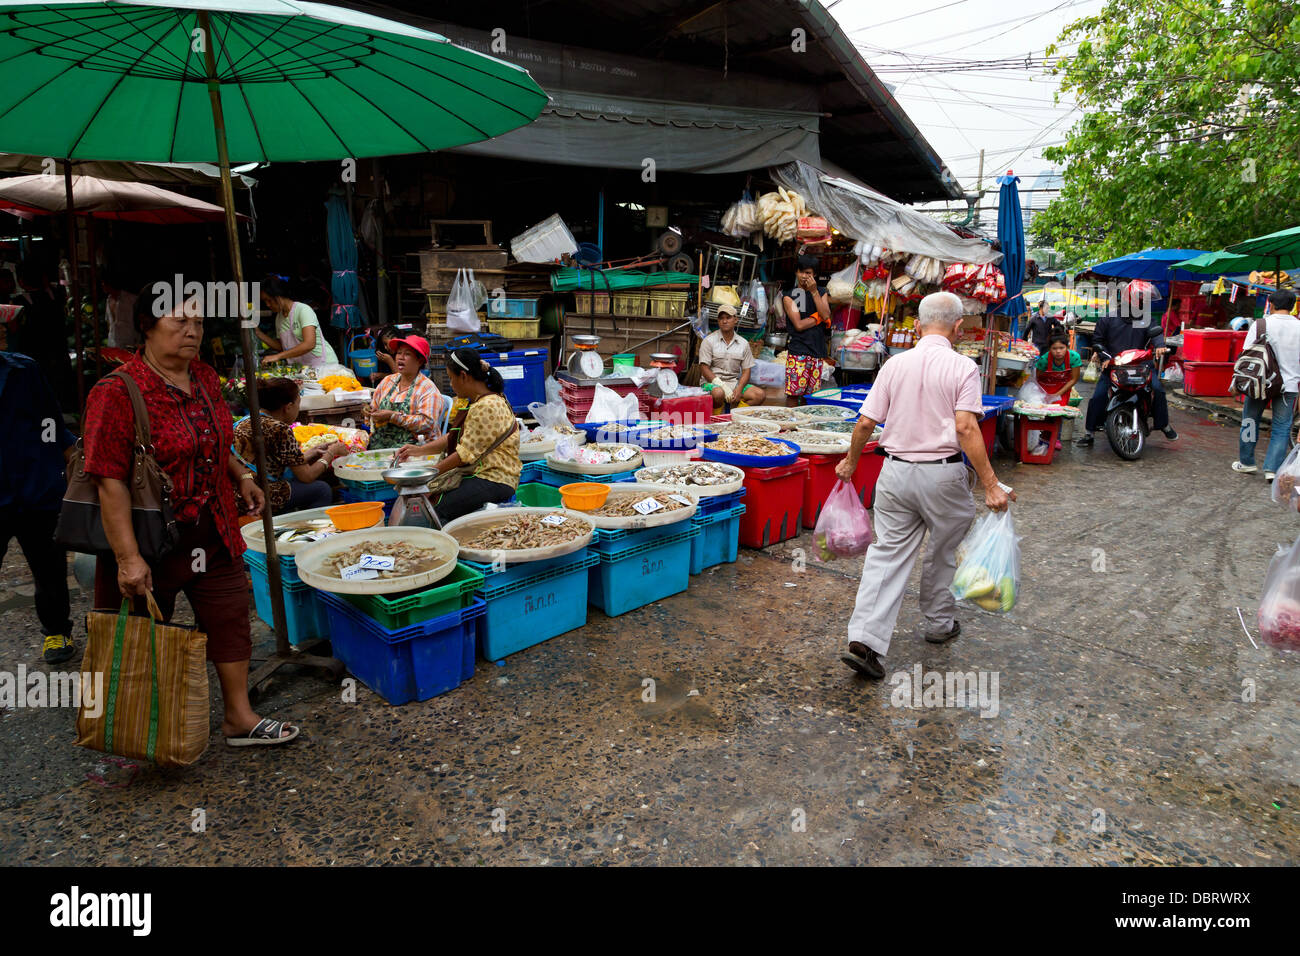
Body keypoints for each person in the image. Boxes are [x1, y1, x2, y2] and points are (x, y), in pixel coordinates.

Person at [82, 281, 299, 747]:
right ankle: (134, 725)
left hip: (213, 525)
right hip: (149, 534)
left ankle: (238, 717)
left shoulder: (203, 377)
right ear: (147, 326)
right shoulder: (117, 391)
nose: (191, 330)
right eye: (179, 320)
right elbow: (108, 479)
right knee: (140, 632)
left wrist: (240, 475)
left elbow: (214, 440)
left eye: (198, 322)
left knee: (227, 616)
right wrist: (126, 559)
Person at [834, 291, 1014, 681]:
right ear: (957, 328)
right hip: (942, 475)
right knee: (943, 551)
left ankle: (864, 641)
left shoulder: (894, 365)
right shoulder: (963, 366)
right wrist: (991, 484)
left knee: (886, 555)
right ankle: (938, 624)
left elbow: (866, 424)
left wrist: (850, 462)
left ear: (917, 326)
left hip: (895, 474)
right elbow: (966, 427)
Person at [0, 351, 77, 663]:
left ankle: (57, 631)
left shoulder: (23, 369)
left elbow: (51, 419)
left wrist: (69, 452)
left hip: (36, 488)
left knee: (49, 569)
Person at [395, 347, 520, 523]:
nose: (452, 385)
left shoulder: (486, 406)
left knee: (436, 509)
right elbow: (455, 437)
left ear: (463, 376)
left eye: (451, 379)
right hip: (481, 472)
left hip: (494, 478)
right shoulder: (485, 399)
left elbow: (463, 455)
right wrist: (419, 450)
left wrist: (426, 475)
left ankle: (454, 548)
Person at [1077, 287, 1177, 446]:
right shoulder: (1108, 319)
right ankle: (1089, 432)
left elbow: (1156, 334)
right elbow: (1098, 340)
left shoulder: (1146, 319)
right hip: (1114, 365)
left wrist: (1159, 345)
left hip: (1142, 365)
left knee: (1157, 390)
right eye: (1140, 300)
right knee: (1098, 396)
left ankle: (1163, 424)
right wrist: (1104, 356)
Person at [234, 377, 349, 514]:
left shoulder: (246, 421)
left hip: (237, 490)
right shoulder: (280, 429)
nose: (298, 409)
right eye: (298, 404)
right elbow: (306, 476)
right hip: (257, 493)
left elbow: (279, 460)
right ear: (288, 407)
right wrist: (332, 452)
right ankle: (306, 529)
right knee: (321, 489)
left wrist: (312, 452)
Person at [1233, 289, 1300, 480]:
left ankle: (1246, 462)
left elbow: (1246, 353)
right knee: (1281, 426)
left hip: (1259, 382)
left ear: (1271, 304)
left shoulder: (1261, 324)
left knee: (1250, 420)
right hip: (1289, 385)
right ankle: (1272, 469)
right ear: (1293, 306)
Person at [367, 334, 445, 449]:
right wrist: (369, 412)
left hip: (417, 449)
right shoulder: (387, 381)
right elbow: (374, 409)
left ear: (419, 361)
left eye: (407, 354)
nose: (400, 357)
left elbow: (427, 423)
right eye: (398, 353)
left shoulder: (427, 389)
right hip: (383, 446)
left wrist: (392, 416)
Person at [255, 274, 339, 368]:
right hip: (303, 369)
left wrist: (277, 356)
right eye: (265, 301)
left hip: (323, 365)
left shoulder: (303, 310)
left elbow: (309, 344)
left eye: (269, 300)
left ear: (278, 296)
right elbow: (282, 346)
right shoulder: (279, 318)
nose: (267, 305)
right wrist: (259, 333)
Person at [782, 253, 832, 406]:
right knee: (793, 395)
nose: (804, 276)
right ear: (796, 272)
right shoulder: (789, 296)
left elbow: (826, 314)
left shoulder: (822, 292)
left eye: (808, 273)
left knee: (810, 397)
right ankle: (790, 426)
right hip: (798, 351)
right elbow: (799, 325)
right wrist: (818, 318)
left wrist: (814, 292)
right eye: (801, 272)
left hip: (816, 352)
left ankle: (804, 428)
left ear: (814, 275)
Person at [699, 303, 765, 410]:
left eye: (728, 318)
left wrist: (739, 389)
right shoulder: (708, 341)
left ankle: (734, 413)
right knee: (719, 393)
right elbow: (704, 368)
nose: (724, 321)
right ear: (718, 321)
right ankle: (716, 417)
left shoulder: (743, 343)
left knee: (759, 394)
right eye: (721, 318)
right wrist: (720, 384)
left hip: (733, 383)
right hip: (711, 384)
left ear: (735, 319)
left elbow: (746, 370)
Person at [102, 272, 139, 349]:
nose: (102, 286)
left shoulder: (131, 299)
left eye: (104, 284)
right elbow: (109, 322)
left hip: (129, 343)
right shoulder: (108, 301)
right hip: (112, 343)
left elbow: (139, 321)